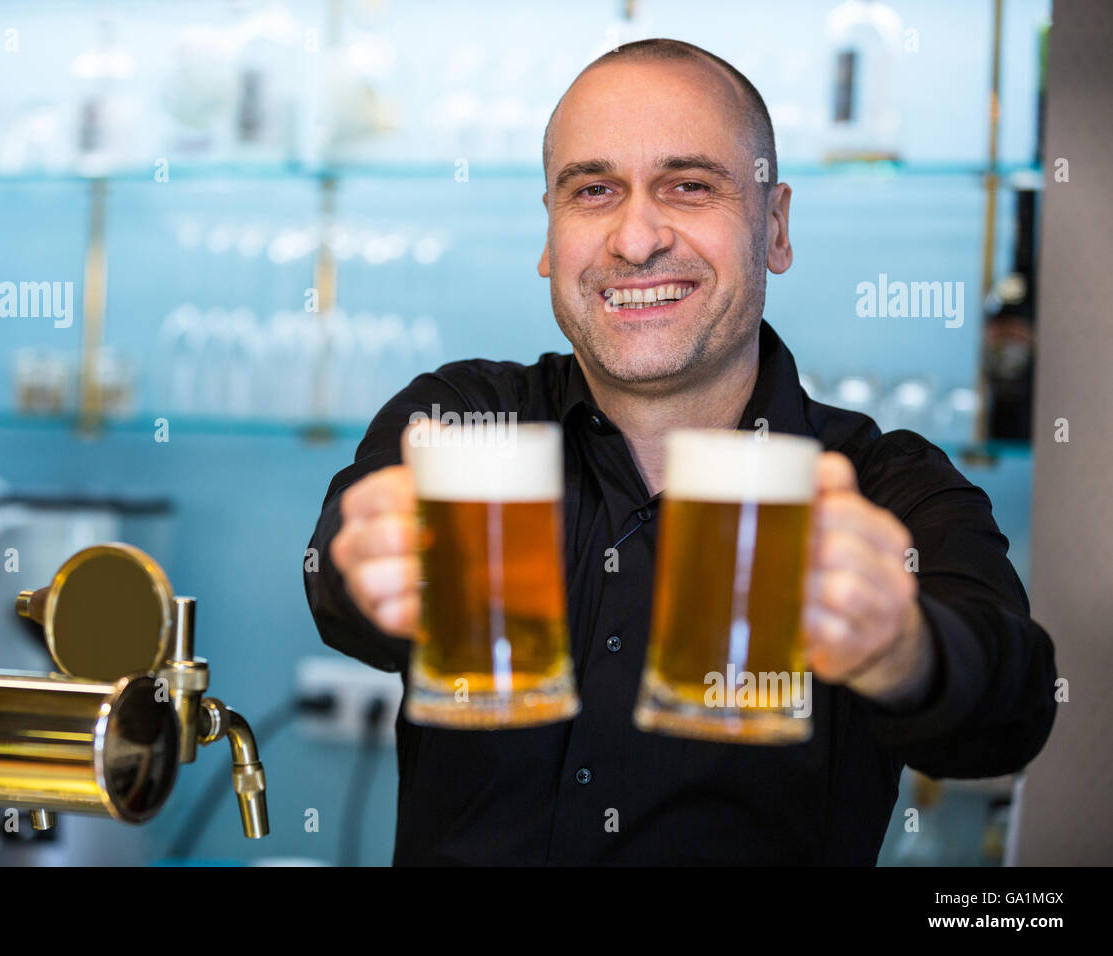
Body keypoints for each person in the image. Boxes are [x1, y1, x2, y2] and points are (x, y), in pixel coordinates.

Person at [302, 38, 1058, 865]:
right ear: (550, 240)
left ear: (774, 226)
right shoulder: (462, 419)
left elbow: (1012, 712)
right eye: (593, 191)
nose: (635, 239)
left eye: (689, 187)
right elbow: (336, 586)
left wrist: (901, 648)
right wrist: (370, 567)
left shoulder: (886, 489)